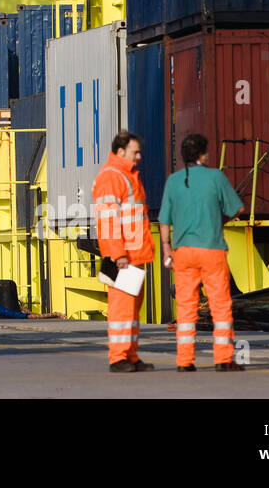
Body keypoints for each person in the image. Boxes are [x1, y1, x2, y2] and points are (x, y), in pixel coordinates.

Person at [159, 133, 244, 372]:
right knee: (220, 304)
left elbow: (164, 219)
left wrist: (166, 248)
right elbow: (237, 208)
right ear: (203, 154)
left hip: (183, 251)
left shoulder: (174, 181)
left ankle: (185, 361)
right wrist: (218, 220)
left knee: (186, 305)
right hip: (211, 249)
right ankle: (223, 359)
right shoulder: (215, 177)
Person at [92, 130, 154, 372]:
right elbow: (108, 221)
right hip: (125, 257)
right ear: (120, 151)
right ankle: (118, 357)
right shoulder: (112, 177)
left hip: (135, 255)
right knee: (121, 309)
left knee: (132, 309)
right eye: (134, 152)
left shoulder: (127, 175)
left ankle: (130, 355)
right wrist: (118, 254)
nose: (139, 156)